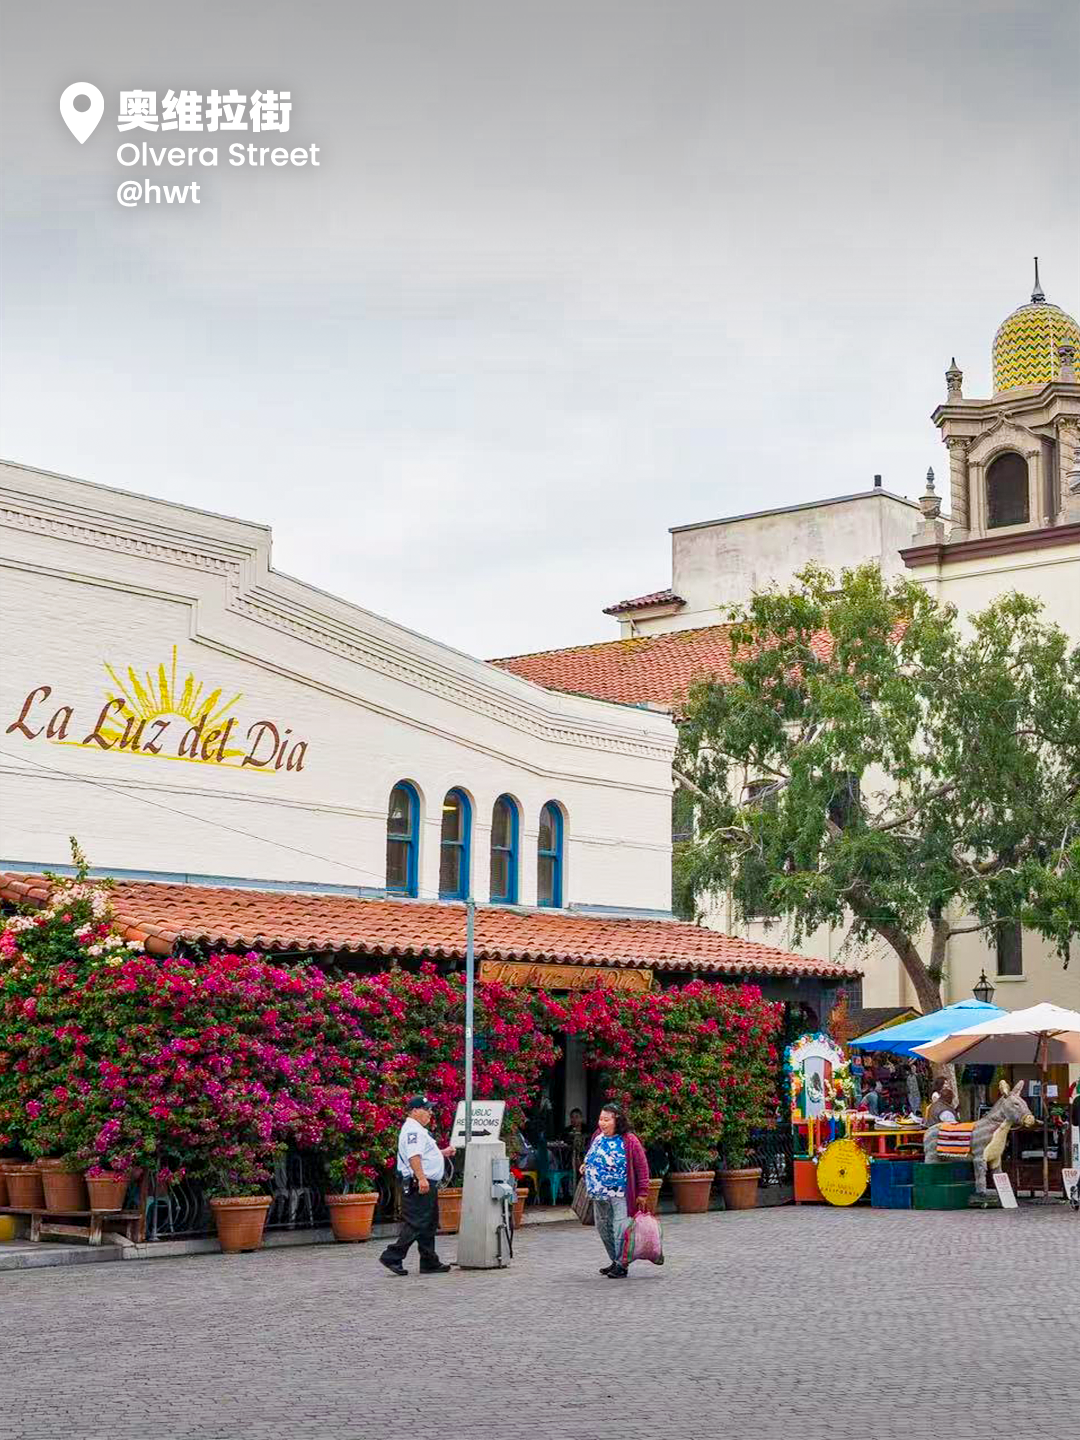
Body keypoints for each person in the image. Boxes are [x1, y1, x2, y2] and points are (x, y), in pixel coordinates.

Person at [379, 1095, 456, 1277]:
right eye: (426, 1109)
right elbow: (414, 1156)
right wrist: (421, 1178)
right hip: (418, 1183)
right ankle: (392, 1256)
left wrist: (441, 1153)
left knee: (428, 1223)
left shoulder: (418, 1130)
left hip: (424, 1182)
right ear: (414, 1111)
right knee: (417, 1222)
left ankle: (429, 1261)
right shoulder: (413, 1131)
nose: (430, 1113)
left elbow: (424, 1153)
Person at [580, 1101, 649, 1280]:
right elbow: (593, 1156)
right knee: (603, 1227)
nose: (602, 1123)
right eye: (600, 1119)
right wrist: (585, 1165)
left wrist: (643, 1192)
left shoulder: (629, 1140)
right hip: (598, 1192)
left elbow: (641, 1166)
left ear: (617, 1120)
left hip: (620, 1193)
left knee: (619, 1228)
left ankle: (622, 1264)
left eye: (606, 1120)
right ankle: (615, 1259)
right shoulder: (598, 1135)